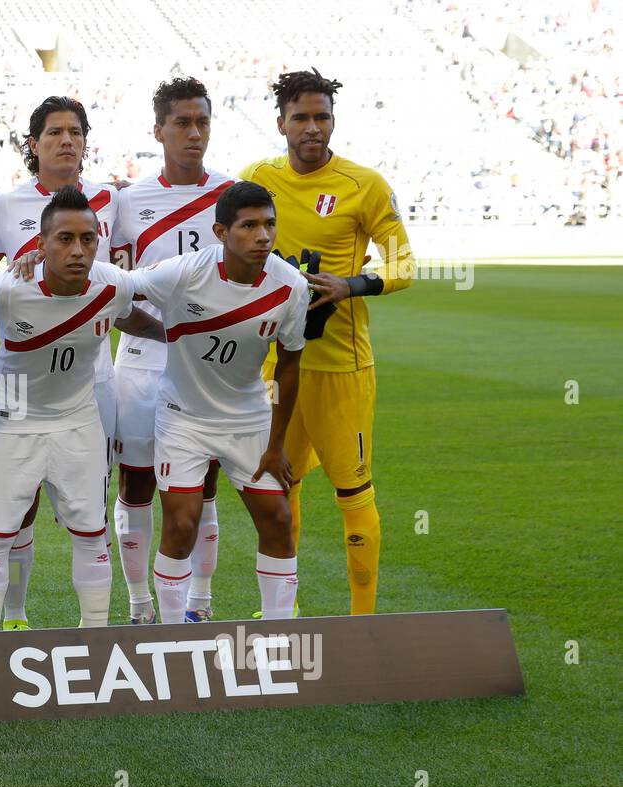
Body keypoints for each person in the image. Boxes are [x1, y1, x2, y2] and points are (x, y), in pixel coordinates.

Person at [239, 69, 416, 615]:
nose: (312, 128)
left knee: (353, 494)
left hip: (342, 367)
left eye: (322, 118)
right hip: (277, 366)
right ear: (281, 124)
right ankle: (282, 609)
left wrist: (350, 285)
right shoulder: (256, 178)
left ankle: (363, 619)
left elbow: (405, 263)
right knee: (278, 483)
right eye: (301, 118)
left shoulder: (364, 185)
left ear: (332, 121)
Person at [0, 186, 163, 631]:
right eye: (64, 239)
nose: (78, 250)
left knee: (92, 536)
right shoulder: (5, 288)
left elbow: (131, 312)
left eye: (88, 238)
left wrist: (175, 335)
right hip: (11, 422)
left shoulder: (112, 285)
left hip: (78, 423)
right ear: (39, 245)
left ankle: (92, 639)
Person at [0, 95, 120, 631]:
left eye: (75, 131)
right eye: (54, 131)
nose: (66, 139)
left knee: (90, 512)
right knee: (10, 511)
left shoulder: (113, 199)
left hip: (92, 374)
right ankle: (7, 620)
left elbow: (128, 283)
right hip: (19, 388)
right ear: (32, 143)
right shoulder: (2, 205)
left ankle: (100, 631)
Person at [135, 182, 309, 623]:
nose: (263, 236)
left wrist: (276, 443)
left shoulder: (290, 287)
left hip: (248, 420)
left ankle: (278, 634)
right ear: (220, 232)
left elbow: (290, 365)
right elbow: (120, 290)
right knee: (180, 524)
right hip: (183, 419)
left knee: (277, 518)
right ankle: (171, 637)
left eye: (269, 224)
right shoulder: (183, 272)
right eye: (249, 226)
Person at [110, 77, 235, 625]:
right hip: (141, 361)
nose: (194, 132)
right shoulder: (127, 202)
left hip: (207, 367)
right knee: (137, 482)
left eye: (202, 121)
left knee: (203, 485)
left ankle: (199, 603)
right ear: (158, 129)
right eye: (182, 122)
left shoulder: (233, 195)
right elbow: (112, 292)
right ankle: (140, 608)